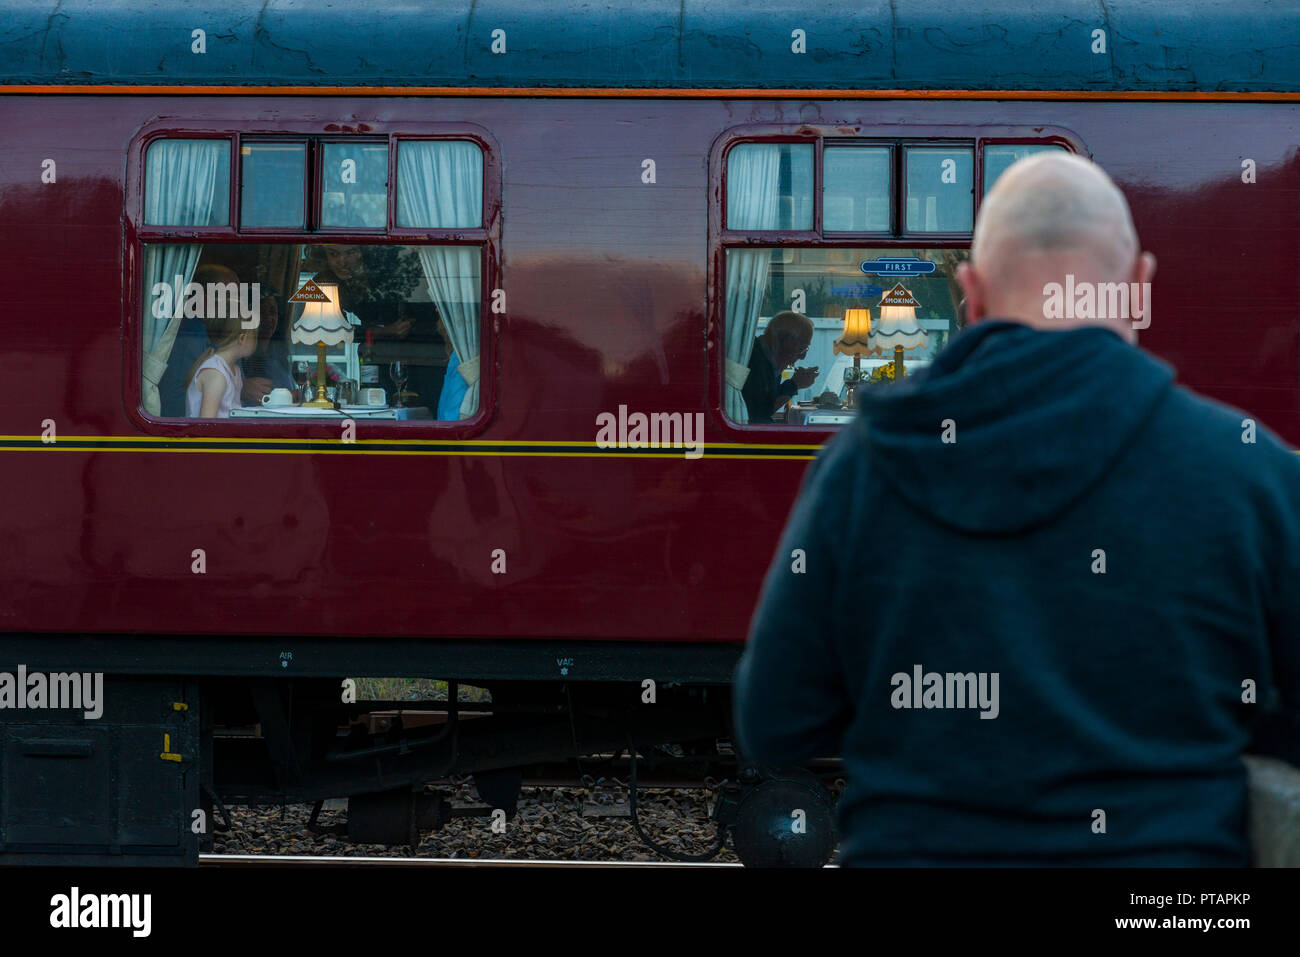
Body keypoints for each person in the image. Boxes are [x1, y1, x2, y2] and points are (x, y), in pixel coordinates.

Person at [733, 152, 1300, 866]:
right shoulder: (1254, 473)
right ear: (1138, 288)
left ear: (970, 295)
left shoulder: (862, 467)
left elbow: (776, 721)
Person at [313, 244, 446, 409]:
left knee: (430, 408)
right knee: (381, 408)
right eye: (333, 254)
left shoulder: (387, 271)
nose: (342, 262)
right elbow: (333, 329)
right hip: (379, 356)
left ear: (363, 253)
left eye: (351, 252)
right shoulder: (327, 281)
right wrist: (386, 331)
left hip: (427, 352)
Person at [158, 263, 239, 417]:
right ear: (204, 298)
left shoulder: (226, 335)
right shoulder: (182, 340)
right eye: (229, 296)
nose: (235, 304)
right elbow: (172, 402)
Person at [742, 311, 819, 423]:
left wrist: (794, 383)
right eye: (801, 347)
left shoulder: (770, 360)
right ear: (783, 340)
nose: (803, 356)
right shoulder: (755, 361)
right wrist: (795, 384)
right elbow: (761, 414)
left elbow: (768, 403)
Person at [185, 306, 258, 418]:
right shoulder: (216, 374)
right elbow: (207, 426)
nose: (257, 341)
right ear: (242, 339)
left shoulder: (234, 370)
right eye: (255, 337)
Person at [240, 287, 294, 404]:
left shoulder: (279, 356)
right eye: (260, 313)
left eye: (272, 312)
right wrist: (240, 388)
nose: (268, 318)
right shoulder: (239, 354)